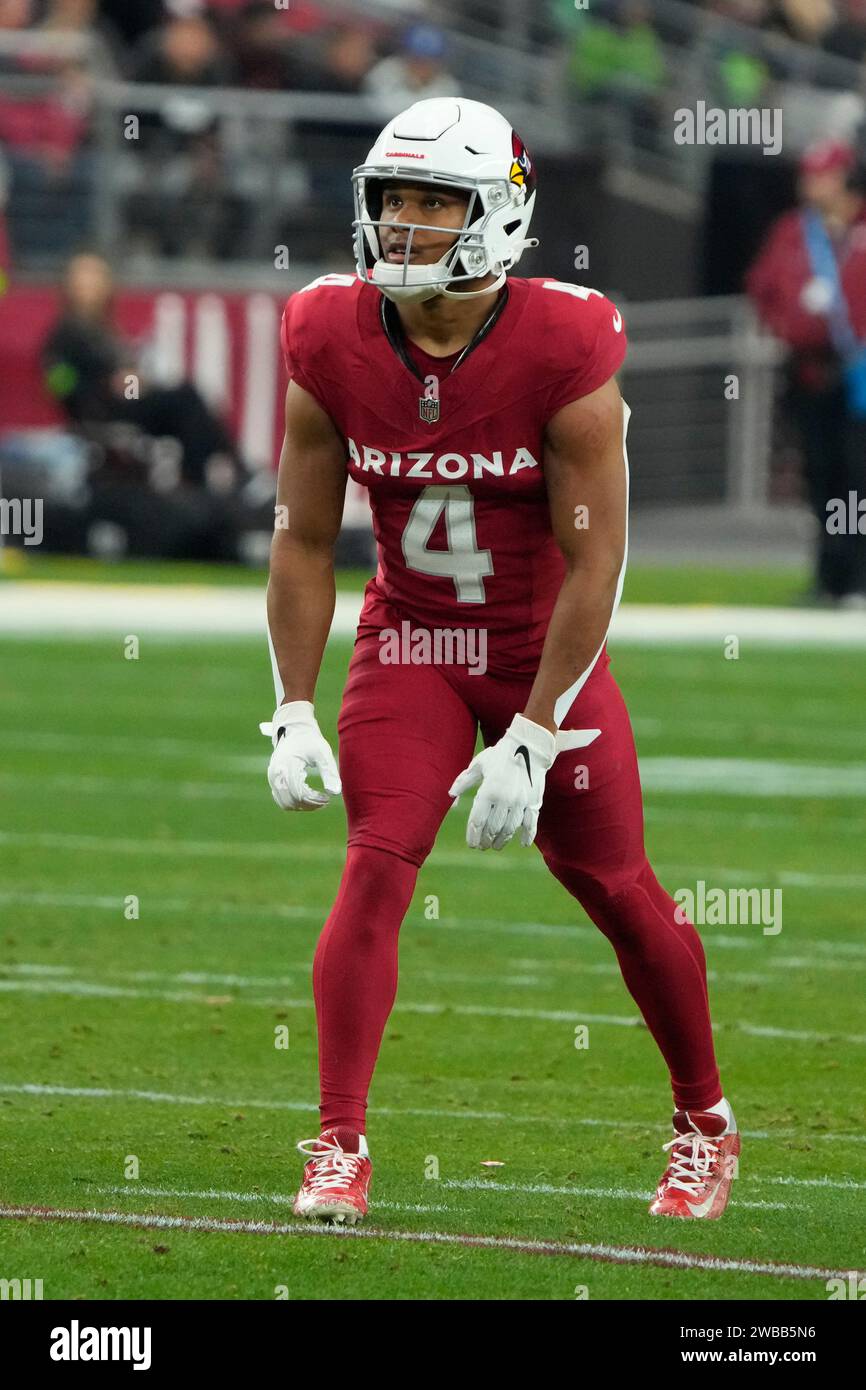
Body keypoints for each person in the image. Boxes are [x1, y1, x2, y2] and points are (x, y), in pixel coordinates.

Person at [265, 97, 740, 1227]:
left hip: (540, 644)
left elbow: (599, 559)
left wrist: (534, 731)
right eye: (392, 198)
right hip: (411, 638)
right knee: (374, 861)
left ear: (498, 211)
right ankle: (337, 1143)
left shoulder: (563, 339)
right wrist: (288, 704)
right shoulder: (325, 330)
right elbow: (297, 535)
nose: (405, 224)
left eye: (435, 201)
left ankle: (703, 1122)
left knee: (613, 886)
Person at [746, 138, 866, 607]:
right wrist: (786, 328)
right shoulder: (793, 231)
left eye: (822, 175)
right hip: (811, 375)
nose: (812, 185)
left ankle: (857, 578)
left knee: (859, 478)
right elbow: (762, 287)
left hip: (859, 376)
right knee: (820, 475)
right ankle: (828, 576)